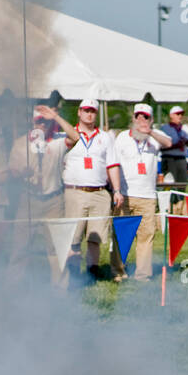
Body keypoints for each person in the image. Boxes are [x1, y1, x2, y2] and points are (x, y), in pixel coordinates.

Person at [7, 104, 69, 286]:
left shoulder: (58, 140)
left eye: (46, 121)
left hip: (54, 200)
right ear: (33, 122)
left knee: (57, 247)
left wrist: (56, 117)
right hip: (29, 200)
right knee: (20, 246)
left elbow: (76, 136)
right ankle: (13, 287)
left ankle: (60, 289)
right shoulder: (20, 143)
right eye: (39, 121)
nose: (42, 125)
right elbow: (11, 172)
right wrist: (20, 174)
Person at [60, 99, 122, 280]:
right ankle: (72, 273)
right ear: (79, 112)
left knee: (96, 236)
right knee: (73, 237)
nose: (89, 114)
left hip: (99, 192)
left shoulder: (105, 137)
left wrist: (116, 190)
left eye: (93, 111)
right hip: (74, 192)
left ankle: (92, 271)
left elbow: (112, 165)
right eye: (86, 110)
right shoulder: (68, 136)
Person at [110, 103, 172, 281]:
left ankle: (142, 274)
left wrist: (150, 132)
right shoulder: (122, 137)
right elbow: (113, 163)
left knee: (146, 236)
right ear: (133, 118)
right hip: (125, 194)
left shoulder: (155, 139)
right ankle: (118, 271)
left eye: (145, 117)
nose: (141, 120)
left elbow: (168, 142)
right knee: (121, 235)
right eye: (138, 116)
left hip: (148, 197)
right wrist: (116, 190)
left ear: (151, 120)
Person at [159, 105, 188, 213]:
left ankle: (180, 206)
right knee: (170, 183)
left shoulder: (185, 128)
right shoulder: (165, 128)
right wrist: (176, 145)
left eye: (181, 114)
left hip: (181, 158)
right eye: (177, 114)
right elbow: (162, 145)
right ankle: (170, 207)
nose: (180, 116)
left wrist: (187, 142)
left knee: (182, 183)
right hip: (169, 158)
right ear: (171, 115)